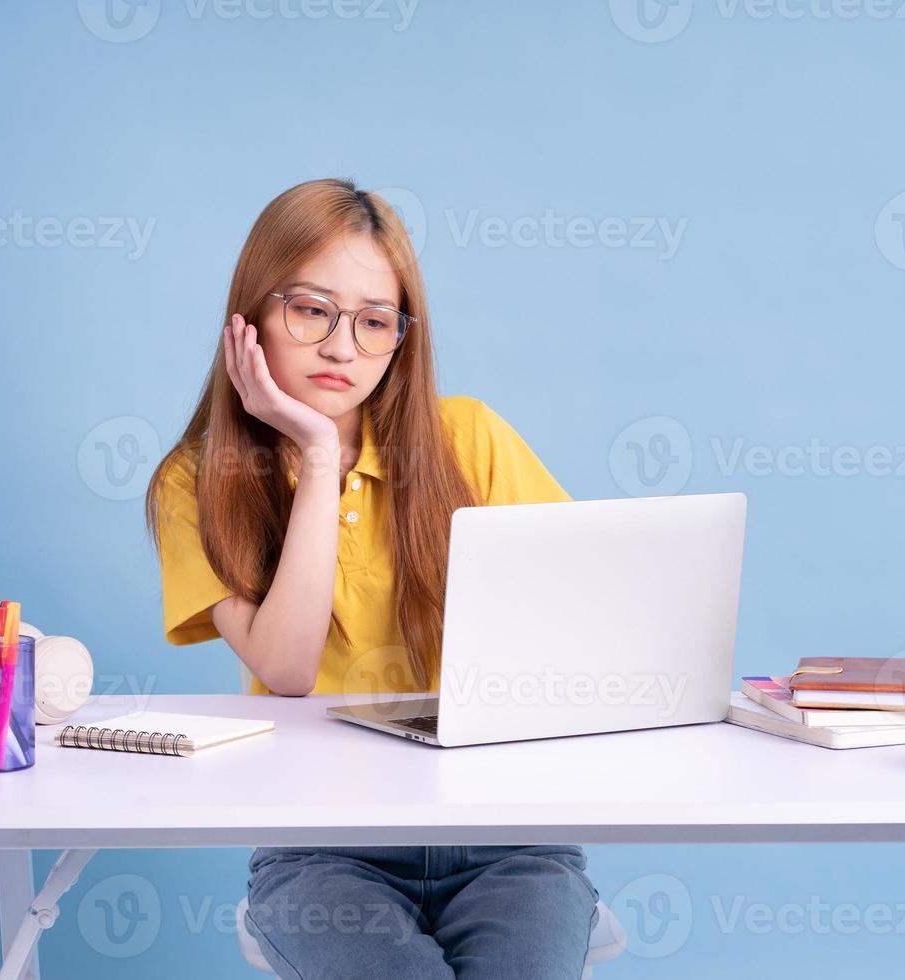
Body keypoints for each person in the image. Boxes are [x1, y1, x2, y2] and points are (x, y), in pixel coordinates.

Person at [145, 177, 599, 978]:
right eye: (312, 310)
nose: (341, 347)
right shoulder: (198, 479)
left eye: (373, 322)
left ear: (402, 337)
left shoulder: (471, 439)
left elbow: (590, 614)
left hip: (506, 837)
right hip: (323, 847)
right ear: (251, 314)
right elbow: (285, 668)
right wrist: (319, 459)